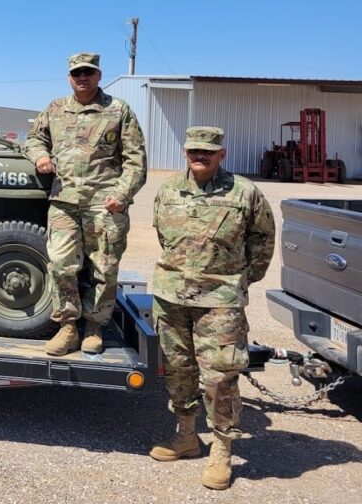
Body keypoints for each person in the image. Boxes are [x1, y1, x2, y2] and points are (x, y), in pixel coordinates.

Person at [149, 126, 275, 490]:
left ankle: (222, 450)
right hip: (172, 296)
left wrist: (239, 280)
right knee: (177, 370)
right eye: (193, 150)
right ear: (185, 152)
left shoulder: (244, 192)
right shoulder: (169, 189)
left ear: (222, 154)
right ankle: (186, 437)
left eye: (208, 151)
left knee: (220, 377)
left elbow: (263, 241)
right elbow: (162, 235)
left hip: (220, 301)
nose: (199, 156)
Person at [24, 52, 146, 355]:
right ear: (69, 77)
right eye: (77, 73)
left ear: (98, 76)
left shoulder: (118, 110)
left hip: (104, 204)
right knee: (62, 266)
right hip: (64, 202)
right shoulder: (54, 109)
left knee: (103, 268)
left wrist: (122, 194)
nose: (83, 77)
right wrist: (40, 156)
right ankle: (67, 328)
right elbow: (33, 138)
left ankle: (94, 327)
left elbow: (136, 160)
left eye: (88, 72)